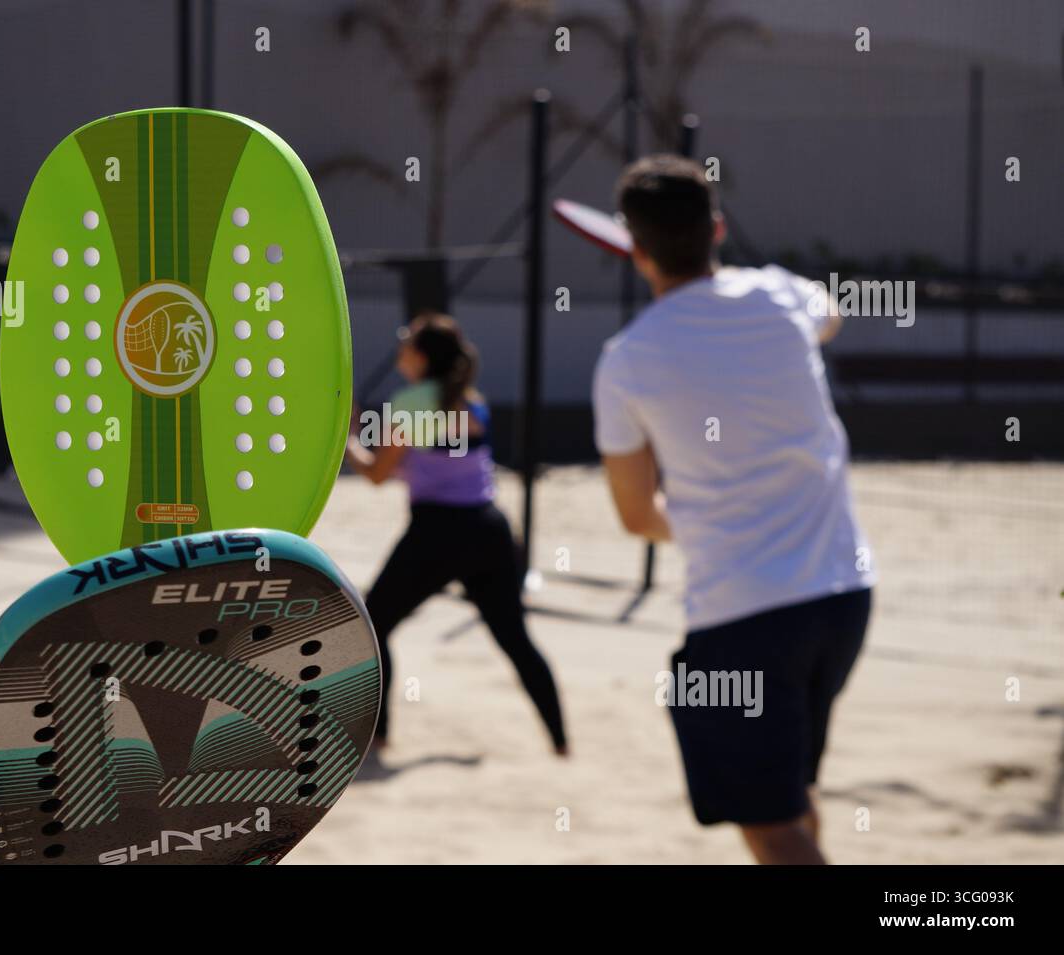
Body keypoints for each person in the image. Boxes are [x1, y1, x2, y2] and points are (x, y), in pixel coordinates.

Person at [593, 155, 875, 863]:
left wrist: (700, 517)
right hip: (843, 596)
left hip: (744, 614)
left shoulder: (626, 360)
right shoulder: (783, 297)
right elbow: (831, 313)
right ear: (716, 227)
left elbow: (636, 516)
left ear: (636, 250)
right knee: (793, 791)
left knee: (771, 826)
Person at [345, 312, 567, 755]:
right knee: (516, 640)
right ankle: (561, 742)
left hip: (437, 531)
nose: (399, 349)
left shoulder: (412, 402)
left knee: (372, 627)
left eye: (404, 341)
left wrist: (348, 435)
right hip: (490, 529)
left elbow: (375, 474)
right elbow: (435, 456)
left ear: (421, 356)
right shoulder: (472, 399)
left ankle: (380, 737)